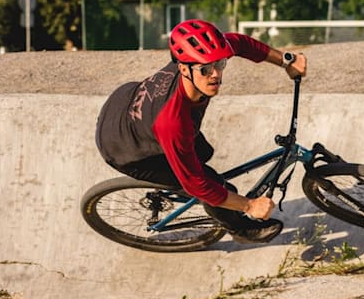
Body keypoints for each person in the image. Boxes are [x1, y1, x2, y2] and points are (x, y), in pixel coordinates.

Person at [95, 19, 307, 243]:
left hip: (125, 103)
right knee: (213, 183)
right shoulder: (173, 123)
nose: (215, 74)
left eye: (220, 64)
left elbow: (240, 43)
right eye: (205, 69)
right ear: (183, 68)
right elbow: (199, 185)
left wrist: (286, 61)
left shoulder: (194, 62)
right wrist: (249, 205)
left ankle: (193, 189)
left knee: (203, 153)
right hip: (122, 148)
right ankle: (239, 230)